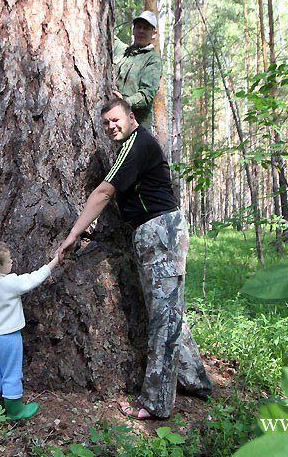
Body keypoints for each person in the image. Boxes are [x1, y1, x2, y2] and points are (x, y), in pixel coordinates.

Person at [55, 98, 212, 420]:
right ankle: (196, 380)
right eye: (106, 124)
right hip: (154, 232)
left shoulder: (137, 143)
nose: (112, 127)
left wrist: (73, 234)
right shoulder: (134, 145)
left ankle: (155, 403)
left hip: (160, 231)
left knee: (162, 318)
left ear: (131, 117)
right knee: (167, 313)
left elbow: (101, 193)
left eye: (116, 120)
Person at [0, 240, 60, 424]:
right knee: (11, 372)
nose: (12, 261)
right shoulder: (11, 283)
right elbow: (35, 278)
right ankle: (14, 408)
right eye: (9, 260)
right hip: (10, 339)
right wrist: (54, 261)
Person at [113, 10, 162, 130]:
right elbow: (105, 32)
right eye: (138, 27)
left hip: (136, 126)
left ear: (153, 33)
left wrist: (125, 102)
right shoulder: (122, 50)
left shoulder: (153, 60)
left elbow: (147, 94)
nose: (141, 31)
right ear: (133, 30)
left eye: (146, 28)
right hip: (113, 121)